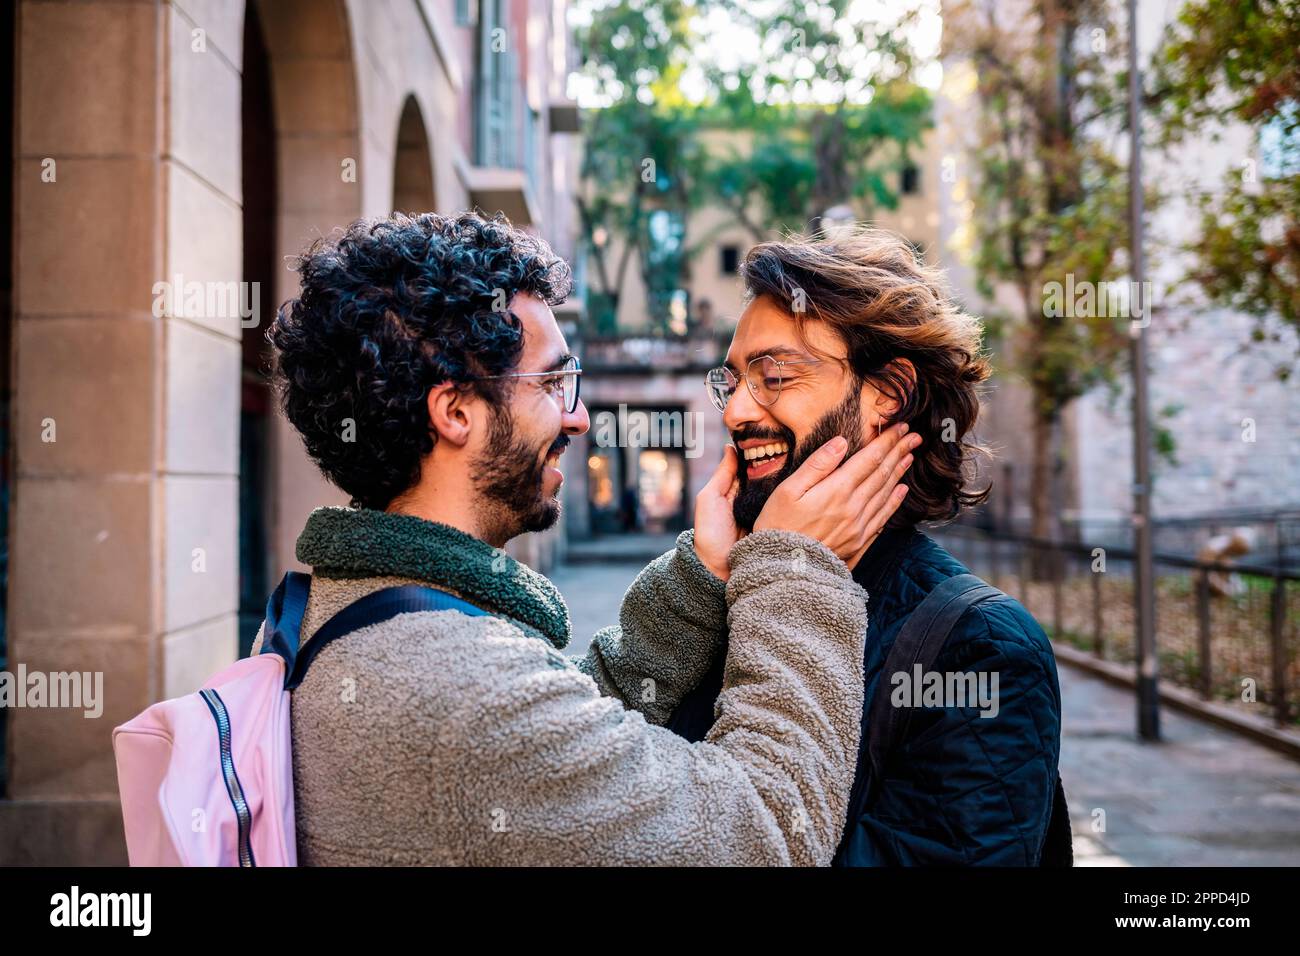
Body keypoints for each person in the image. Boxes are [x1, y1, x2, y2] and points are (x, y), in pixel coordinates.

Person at [258, 211, 914, 865]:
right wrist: (798, 571)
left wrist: (702, 575)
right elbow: (764, 833)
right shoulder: (468, 698)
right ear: (456, 411)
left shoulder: (347, 612)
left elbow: (567, 747)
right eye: (551, 384)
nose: (577, 418)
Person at [668, 228, 1064, 866]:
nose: (737, 410)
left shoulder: (979, 649)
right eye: (734, 380)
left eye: (773, 375)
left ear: (891, 394)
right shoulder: (722, 594)